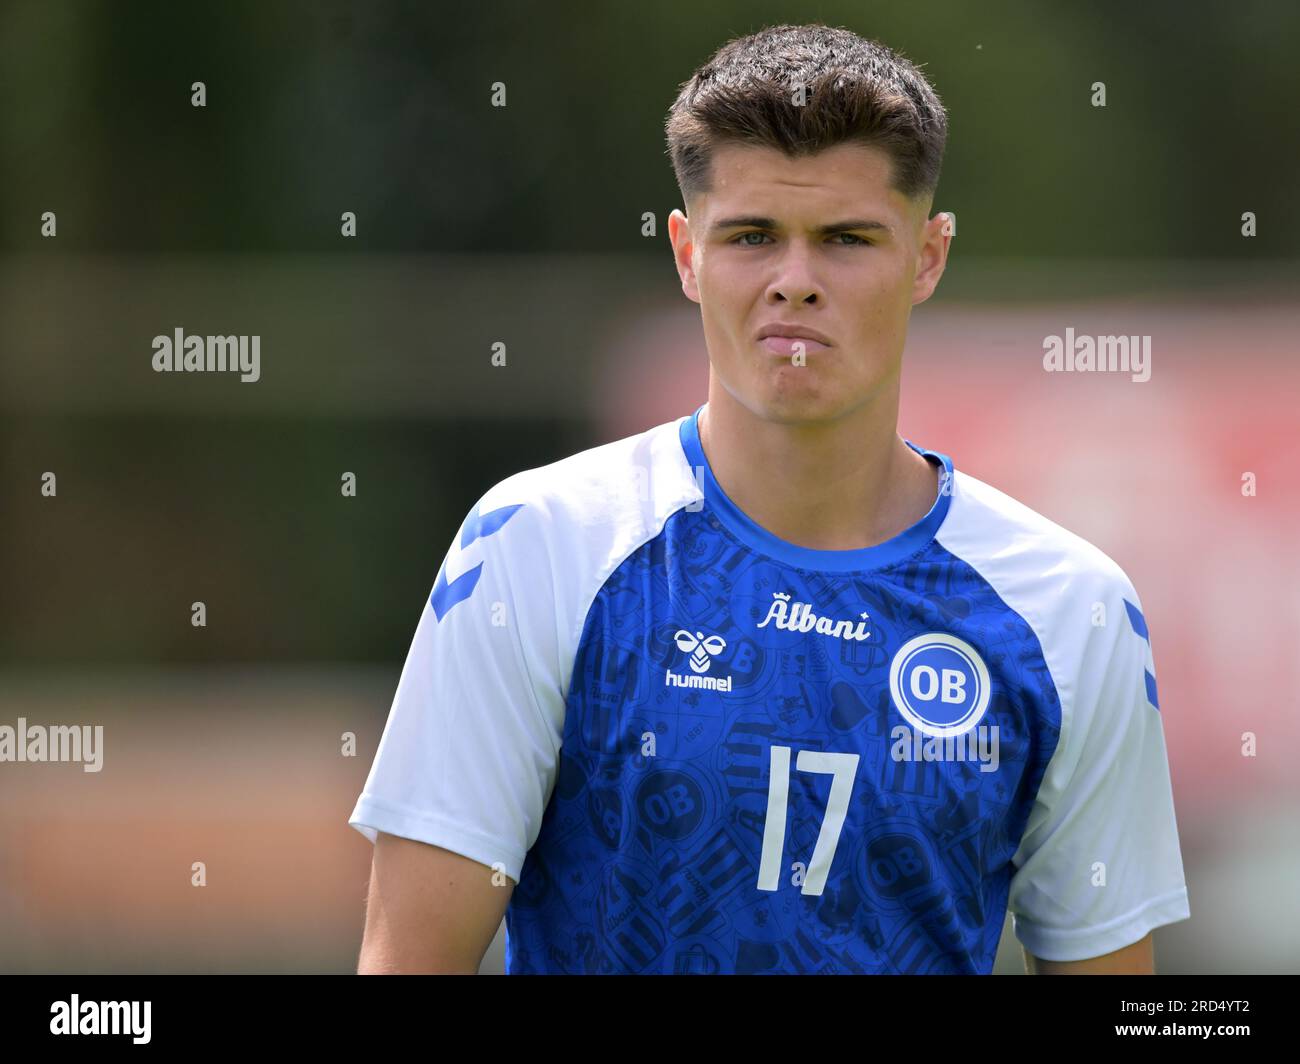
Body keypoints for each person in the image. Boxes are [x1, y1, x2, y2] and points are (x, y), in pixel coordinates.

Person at [348, 22, 1190, 974]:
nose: (796, 283)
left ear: (928, 255)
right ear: (686, 253)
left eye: (846, 240)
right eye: (752, 237)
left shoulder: (1068, 607)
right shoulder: (540, 545)